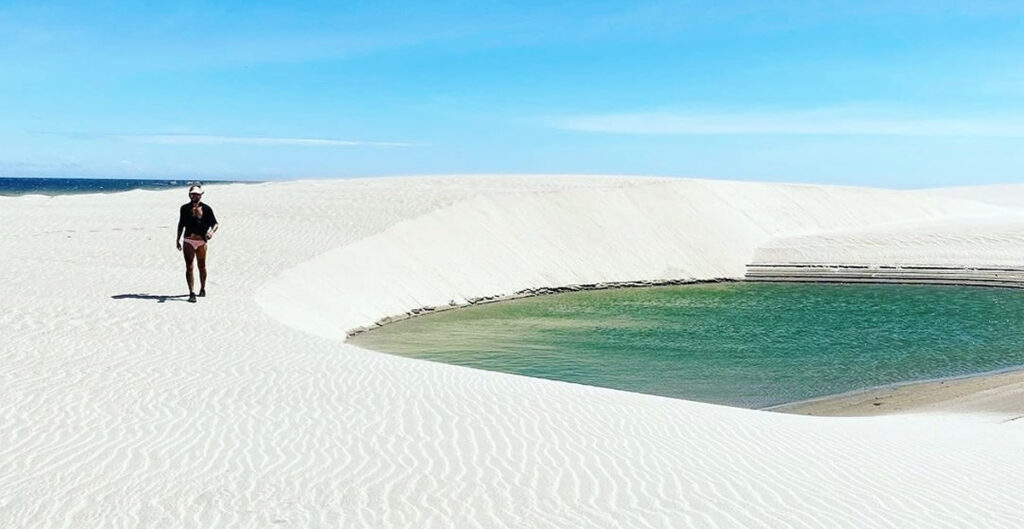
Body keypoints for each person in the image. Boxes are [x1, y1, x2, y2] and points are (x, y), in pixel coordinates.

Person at [175, 184, 219, 303]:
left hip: (201, 241)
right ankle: (191, 292)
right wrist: (177, 239)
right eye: (193, 194)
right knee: (189, 266)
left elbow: (215, 224)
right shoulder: (184, 208)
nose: (195, 196)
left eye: (197, 194)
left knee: (202, 266)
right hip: (188, 239)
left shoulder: (207, 209)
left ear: (201, 195)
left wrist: (211, 233)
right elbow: (181, 224)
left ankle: (203, 288)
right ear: (190, 194)